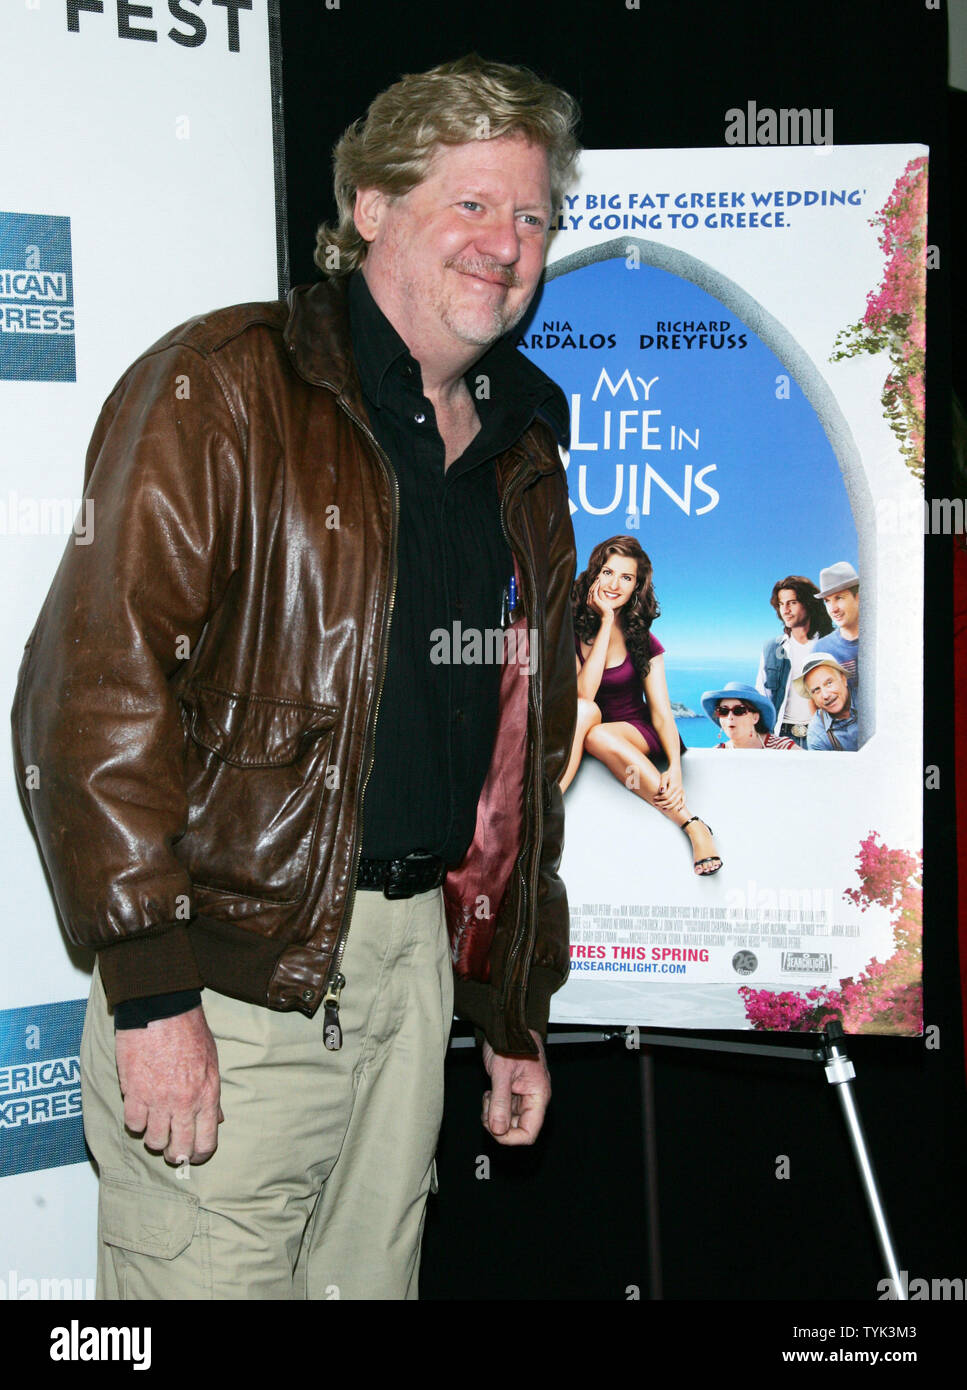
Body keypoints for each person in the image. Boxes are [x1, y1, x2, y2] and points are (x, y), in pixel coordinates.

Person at [11, 55, 582, 1300]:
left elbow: (513, 756)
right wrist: (154, 997)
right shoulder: (227, 385)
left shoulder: (522, 443)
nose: (507, 243)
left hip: (412, 968)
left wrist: (509, 1004)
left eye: (533, 214)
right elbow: (89, 692)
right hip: (233, 982)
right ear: (372, 208)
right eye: (471, 204)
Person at [559, 536, 722, 876]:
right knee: (589, 718)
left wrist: (675, 767)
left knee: (599, 735)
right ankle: (548, 804)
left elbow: (661, 711)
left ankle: (693, 825)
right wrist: (605, 623)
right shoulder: (570, 631)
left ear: (637, 587)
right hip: (585, 729)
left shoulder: (642, 639)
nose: (614, 584)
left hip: (634, 730)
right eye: (607, 572)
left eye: (627, 578)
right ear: (594, 575)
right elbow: (584, 698)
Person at [755, 575, 833, 747]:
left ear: (808, 604)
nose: (785, 610)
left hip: (823, 735)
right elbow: (762, 697)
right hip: (781, 736)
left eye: (792, 603)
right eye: (781, 604)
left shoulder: (832, 644)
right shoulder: (771, 649)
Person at [701, 682, 799, 749]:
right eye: (723, 711)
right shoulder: (716, 753)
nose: (730, 716)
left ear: (755, 718)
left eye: (739, 710)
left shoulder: (782, 748)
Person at [811, 561, 860, 684]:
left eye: (839, 598)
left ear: (859, 597)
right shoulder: (821, 650)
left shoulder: (882, 640)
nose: (833, 609)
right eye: (827, 601)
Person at [796, 656, 859, 750]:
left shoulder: (870, 700)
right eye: (816, 690)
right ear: (813, 698)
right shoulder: (817, 735)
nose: (825, 695)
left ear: (843, 679)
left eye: (829, 683)